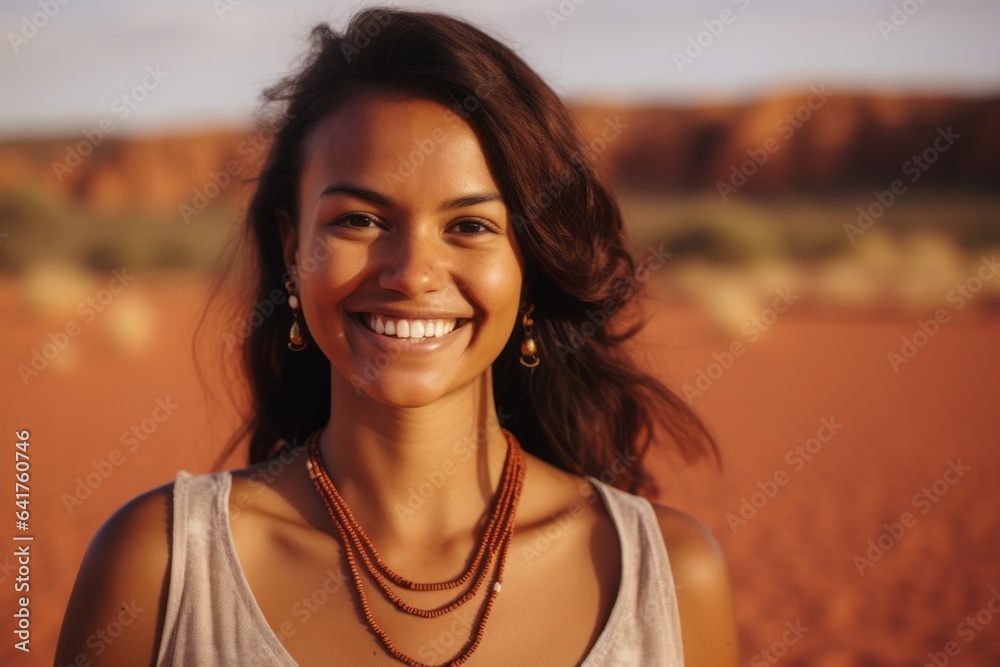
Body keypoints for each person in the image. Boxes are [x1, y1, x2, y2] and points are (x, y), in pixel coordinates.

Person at [55, 7, 737, 666]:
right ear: (294, 249)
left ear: (529, 268)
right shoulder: (159, 567)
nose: (412, 274)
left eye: (470, 226)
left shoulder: (670, 578)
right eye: (359, 220)